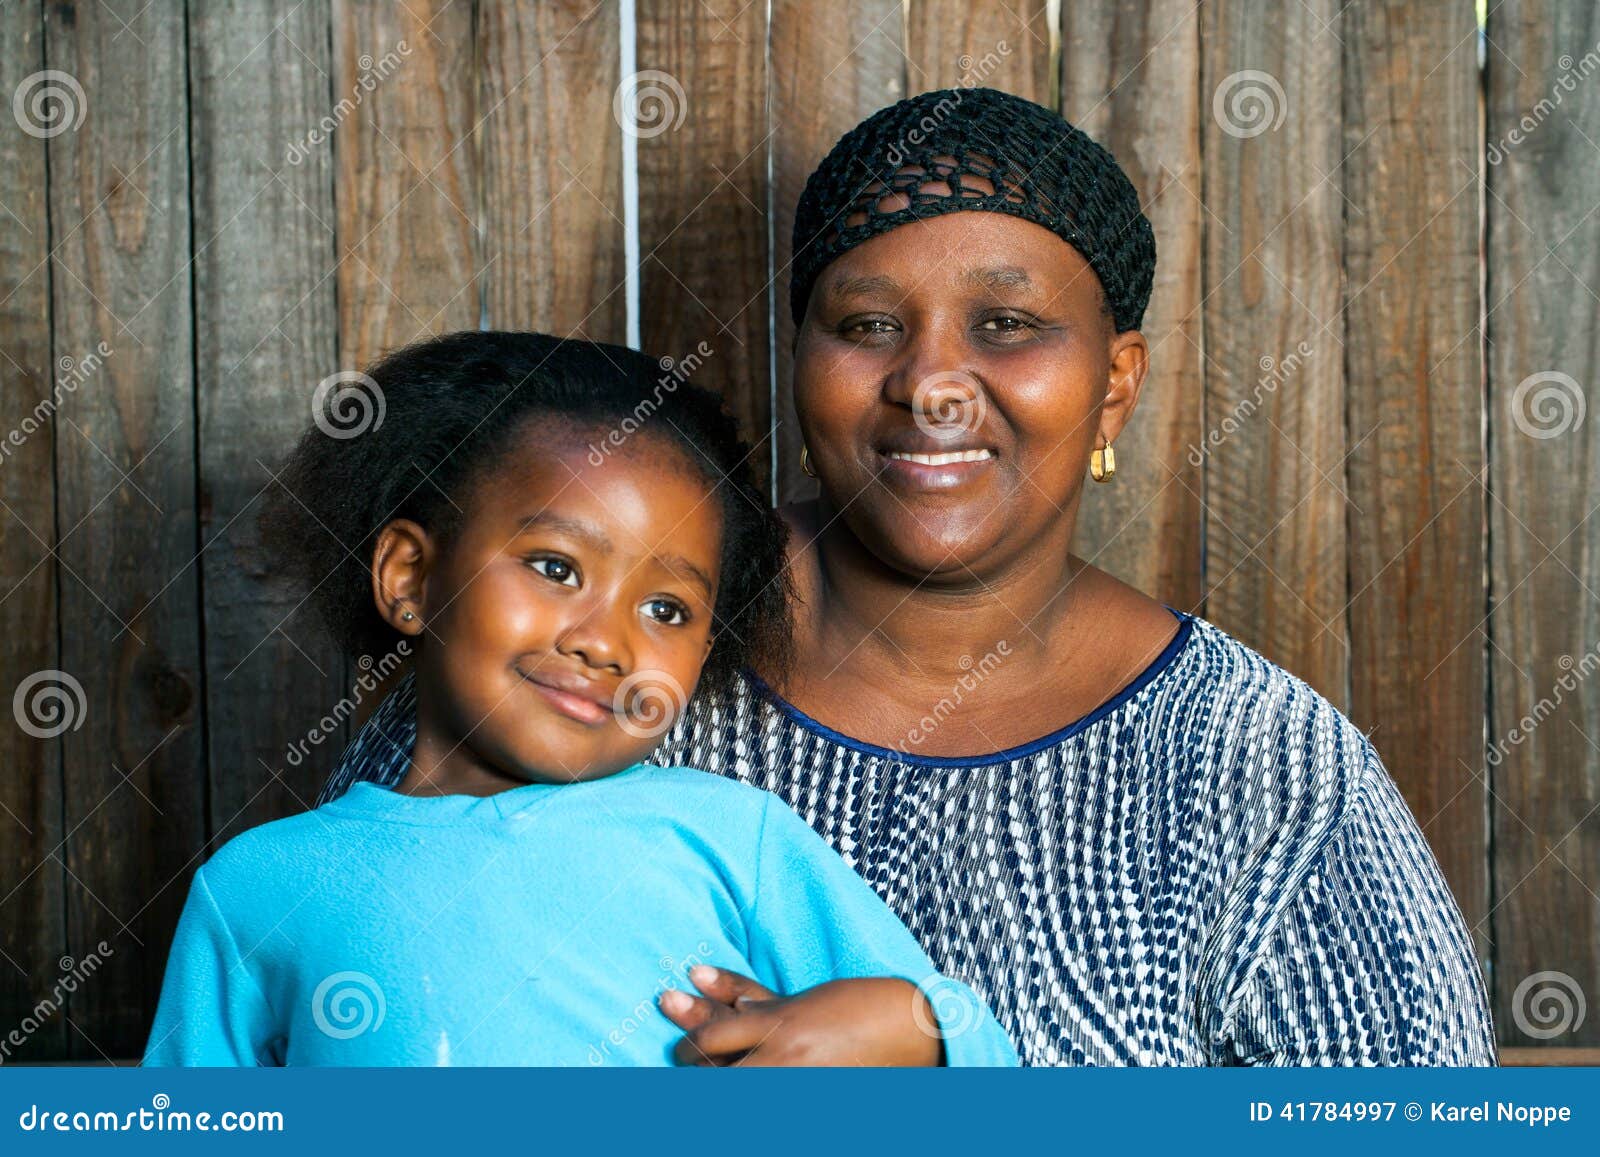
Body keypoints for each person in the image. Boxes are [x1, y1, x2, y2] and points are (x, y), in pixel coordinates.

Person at [321, 89, 1498, 1066]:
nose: (930, 382)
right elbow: (353, 996)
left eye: (1007, 323)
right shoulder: (584, 653)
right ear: (799, 360)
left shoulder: (1258, 766)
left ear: (1116, 381)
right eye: (869, 324)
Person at [142, 332, 1018, 1067]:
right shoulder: (260, 889)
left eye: (666, 609)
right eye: (556, 567)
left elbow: (992, 1064)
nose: (606, 642)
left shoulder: (726, 836)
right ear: (411, 576)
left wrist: (916, 1029)